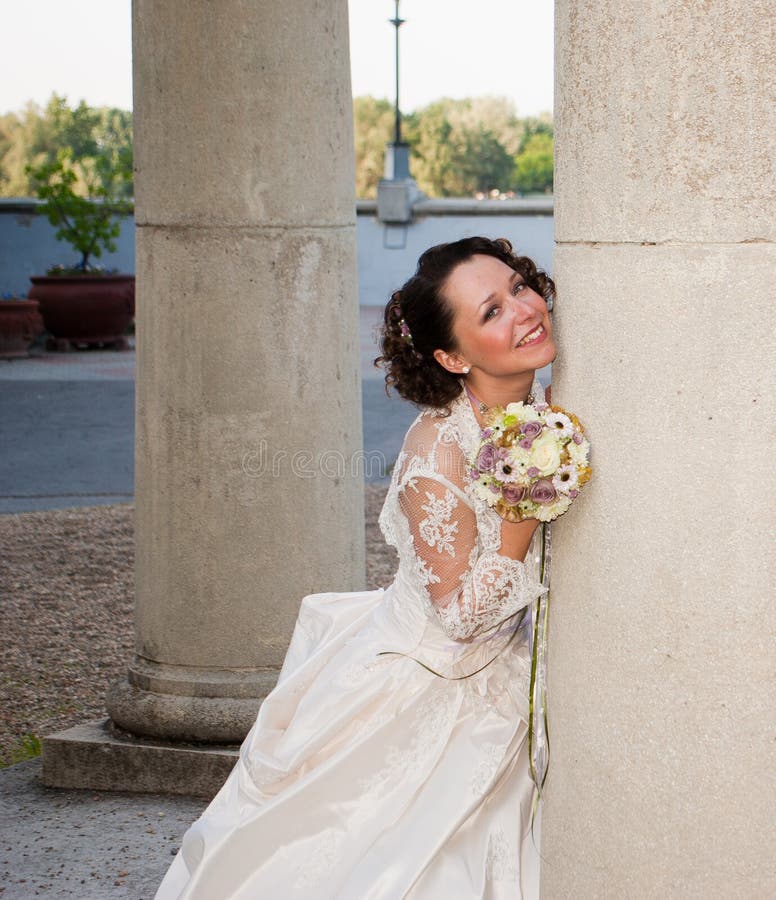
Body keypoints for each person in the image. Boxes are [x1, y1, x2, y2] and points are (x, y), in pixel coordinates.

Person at [156, 236, 565, 899]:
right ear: (451, 355)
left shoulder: (547, 404)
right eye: (491, 312)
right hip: (434, 680)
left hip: (522, 663)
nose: (525, 311)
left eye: (518, 287)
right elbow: (459, 618)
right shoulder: (439, 457)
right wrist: (521, 512)